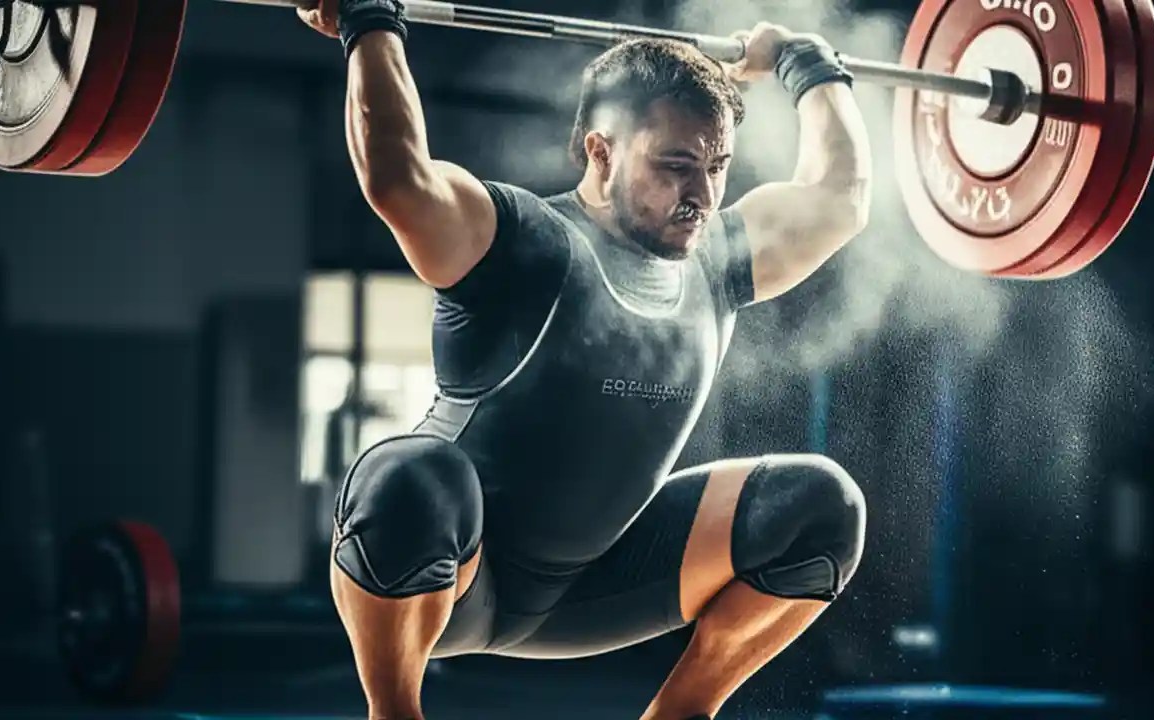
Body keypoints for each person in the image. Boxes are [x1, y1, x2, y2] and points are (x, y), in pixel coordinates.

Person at [299, 1, 873, 718]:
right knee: (409, 476)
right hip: (452, 581)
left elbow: (840, 199)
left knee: (822, 506)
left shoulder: (720, 262)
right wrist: (370, 23)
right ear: (601, 151)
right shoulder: (521, 242)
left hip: (602, 585)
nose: (701, 194)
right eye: (675, 165)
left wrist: (806, 62)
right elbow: (399, 179)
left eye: (716, 166)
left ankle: (679, 712)